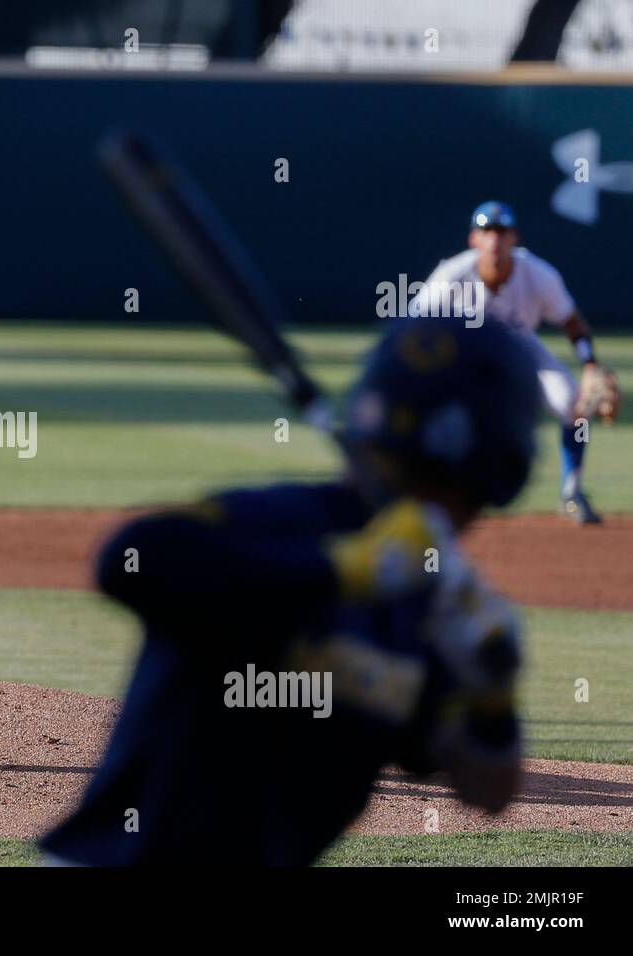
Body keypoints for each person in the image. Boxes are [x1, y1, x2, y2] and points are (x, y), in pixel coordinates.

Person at [41, 316, 539, 866]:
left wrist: (494, 694)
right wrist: (346, 570)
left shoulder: (426, 601)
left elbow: (486, 790)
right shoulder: (281, 521)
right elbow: (129, 560)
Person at [409, 201, 617, 524]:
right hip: (465, 354)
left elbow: (572, 322)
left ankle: (572, 493)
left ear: (514, 237)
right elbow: (411, 327)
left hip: (521, 348)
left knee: (572, 403)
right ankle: (426, 493)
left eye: (501, 231)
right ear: (473, 240)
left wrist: (590, 364)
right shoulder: (451, 275)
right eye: (486, 231)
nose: (494, 239)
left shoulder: (538, 274)